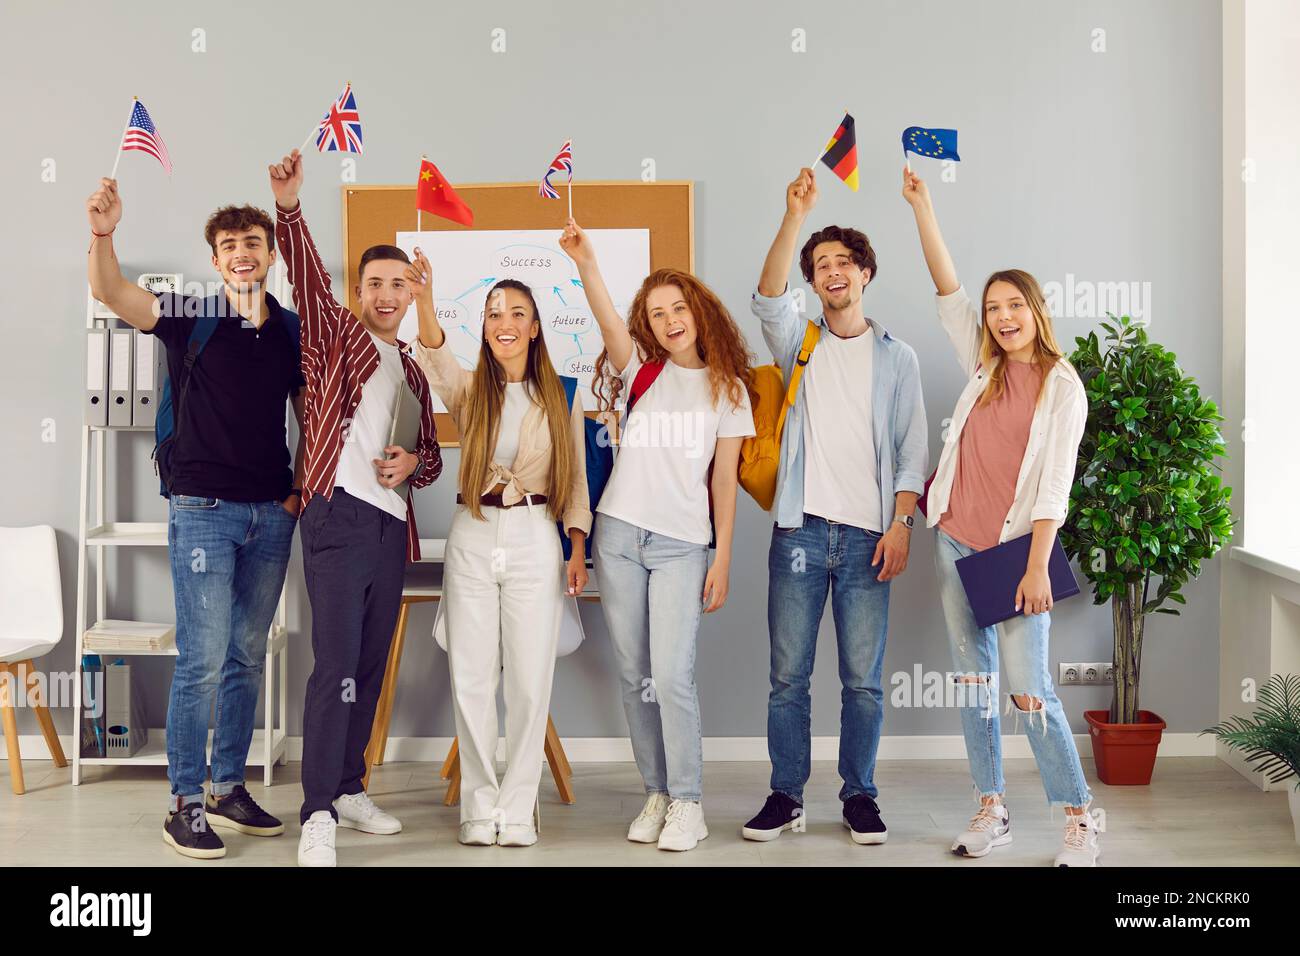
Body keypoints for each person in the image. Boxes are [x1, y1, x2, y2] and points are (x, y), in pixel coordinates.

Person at [86, 178, 303, 859]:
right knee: (203, 660)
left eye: (253, 244)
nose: (242, 254)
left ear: (270, 256)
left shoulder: (292, 329)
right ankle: (183, 803)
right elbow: (112, 293)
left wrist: (295, 492)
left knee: (247, 656)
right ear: (216, 260)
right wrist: (102, 233)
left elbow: (312, 411)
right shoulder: (189, 314)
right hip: (203, 509)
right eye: (229, 246)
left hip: (271, 513)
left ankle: (227, 787)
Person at [902, 165, 1102, 866]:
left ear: (1036, 310)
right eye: (994, 309)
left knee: (1029, 691)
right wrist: (924, 207)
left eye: (1013, 305)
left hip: (1016, 556)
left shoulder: (1062, 385)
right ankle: (993, 808)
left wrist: (1040, 566)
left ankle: (1080, 816)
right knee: (975, 686)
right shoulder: (983, 368)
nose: (1002, 317)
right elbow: (947, 289)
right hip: (955, 543)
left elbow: (1054, 485)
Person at [742, 168, 928, 846]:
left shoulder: (897, 357)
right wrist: (794, 214)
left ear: (865, 273)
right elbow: (766, 299)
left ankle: (860, 797)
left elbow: (913, 452)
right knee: (787, 678)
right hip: (798, 531)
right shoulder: (802, 344)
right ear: (813, 282)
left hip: (867, 539)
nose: (832, 272)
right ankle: (785, 796)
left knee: (863, 683)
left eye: (843, 261)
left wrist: (902, 525)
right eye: (820, 265)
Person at [268, 150, 443, 867]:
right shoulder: (335, 337)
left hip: (388, 528)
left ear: (410, 292)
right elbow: (308, 278)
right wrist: (288, 207)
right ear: (360, 289)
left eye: (398, 284)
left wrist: (411, 464)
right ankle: (315, 812)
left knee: (367, 667)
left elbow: (429, 460)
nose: (385, 293)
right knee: (332, 661)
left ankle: (348, 788)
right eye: (374, 282)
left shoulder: (412, 366)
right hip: (336, 515)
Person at [560, 218, 755, 852]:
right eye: (656, 313)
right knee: (634, 672)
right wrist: (587, 261)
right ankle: (657, 793)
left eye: (678, 308)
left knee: (672, 676)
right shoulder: (640, 370)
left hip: (680, 545)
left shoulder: (730, 389)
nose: (670, 321)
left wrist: (722, 557)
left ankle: (690, 802)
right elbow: (606, 318)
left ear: (698, 311)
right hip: (618, 535)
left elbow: (723, 482)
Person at [411, 253, 590, 847]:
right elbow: (435, 353)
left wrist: (576, 547)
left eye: (517, 312)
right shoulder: (472, 390)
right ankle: (477, 807)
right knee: (472, 675)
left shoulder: (563, 393)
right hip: (475, 530)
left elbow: (578, 483)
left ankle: (518, 810)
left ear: (535, 326)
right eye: (493, 314)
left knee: (530, 679)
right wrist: (426, 295)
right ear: (485, 327)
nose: (504, 322)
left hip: (536, 532)